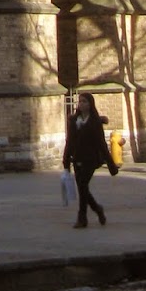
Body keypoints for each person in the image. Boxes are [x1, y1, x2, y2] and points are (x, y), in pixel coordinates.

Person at [63, 91, 115, 228]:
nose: (81, 104)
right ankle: (98, 209)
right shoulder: (73, 121)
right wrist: (66, 161)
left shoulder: (94, 122)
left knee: (83, 185)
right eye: (80, 101)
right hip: (77, 158)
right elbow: (69, 142)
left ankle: (82, 217)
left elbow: (101, 143)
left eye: (84, 101)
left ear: (90, 104)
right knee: (82, 187)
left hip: (90, 159)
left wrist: (111, 164)